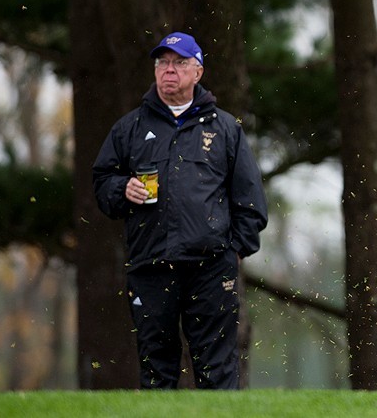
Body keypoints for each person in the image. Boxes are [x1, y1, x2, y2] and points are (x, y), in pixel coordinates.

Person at [92, 32, 268, 389]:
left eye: (179, 63)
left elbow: (250, 202)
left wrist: (233, 251)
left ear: (198, 72)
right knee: (157, 371)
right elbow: (102, 182)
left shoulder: (225, 129)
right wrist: (121, 188)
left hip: (211, 268)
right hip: (150, 266)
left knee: (217, 372)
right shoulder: (129, 129)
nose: (168, 70)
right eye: (162, 63)